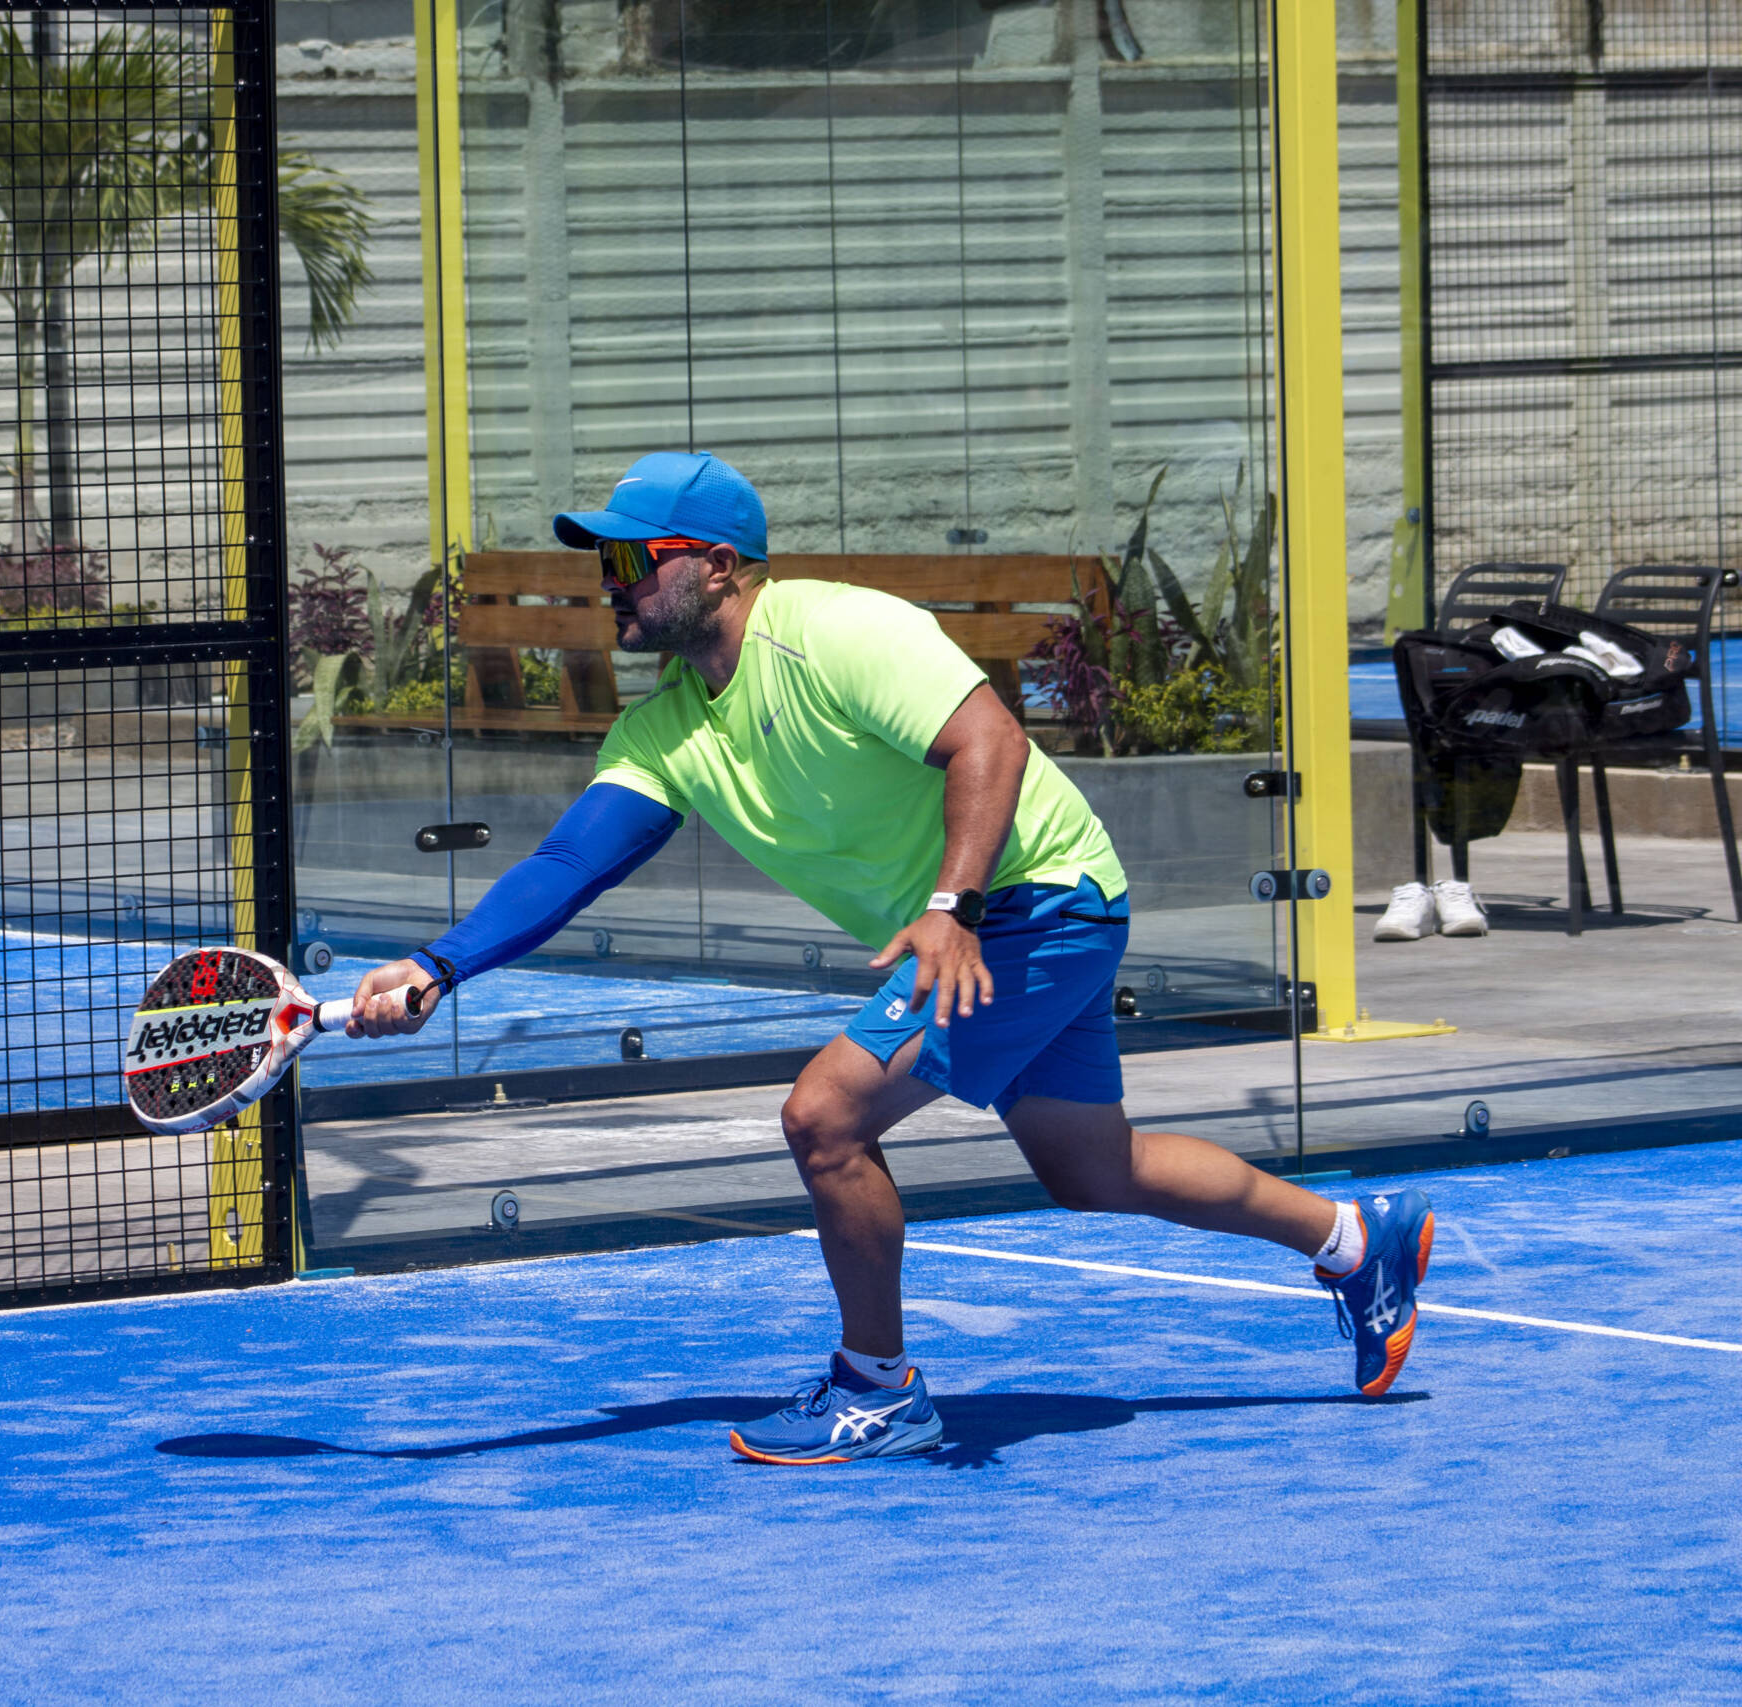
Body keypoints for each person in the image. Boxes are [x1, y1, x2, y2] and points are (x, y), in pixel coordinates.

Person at [348, 451, 1434, 1466]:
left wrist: (949, 905)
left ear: (717, 568)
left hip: (1034, 903)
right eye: (604, 559)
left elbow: (991, 740)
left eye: (634, 558)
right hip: (1035, 912)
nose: (610, 581)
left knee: (823, 1116)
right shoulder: (668, 729)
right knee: (1091, 1170)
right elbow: (569, 862)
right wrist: (436, 968)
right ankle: (1349, 1237)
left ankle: (877, 1389)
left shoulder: (833, 631)